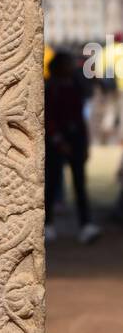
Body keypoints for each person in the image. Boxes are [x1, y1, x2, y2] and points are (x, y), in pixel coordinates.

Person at [45, 51, 102, 243]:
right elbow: (48, 117)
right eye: (67, 63)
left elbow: (79, 117)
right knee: (51, 183)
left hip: (75, 139)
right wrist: (58, 141)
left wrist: (84, 144)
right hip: (56, 141)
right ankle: (48, 224)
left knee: (80, 184)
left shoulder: (75, 86)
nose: (71, 67)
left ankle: (85, 224)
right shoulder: (50, 88)